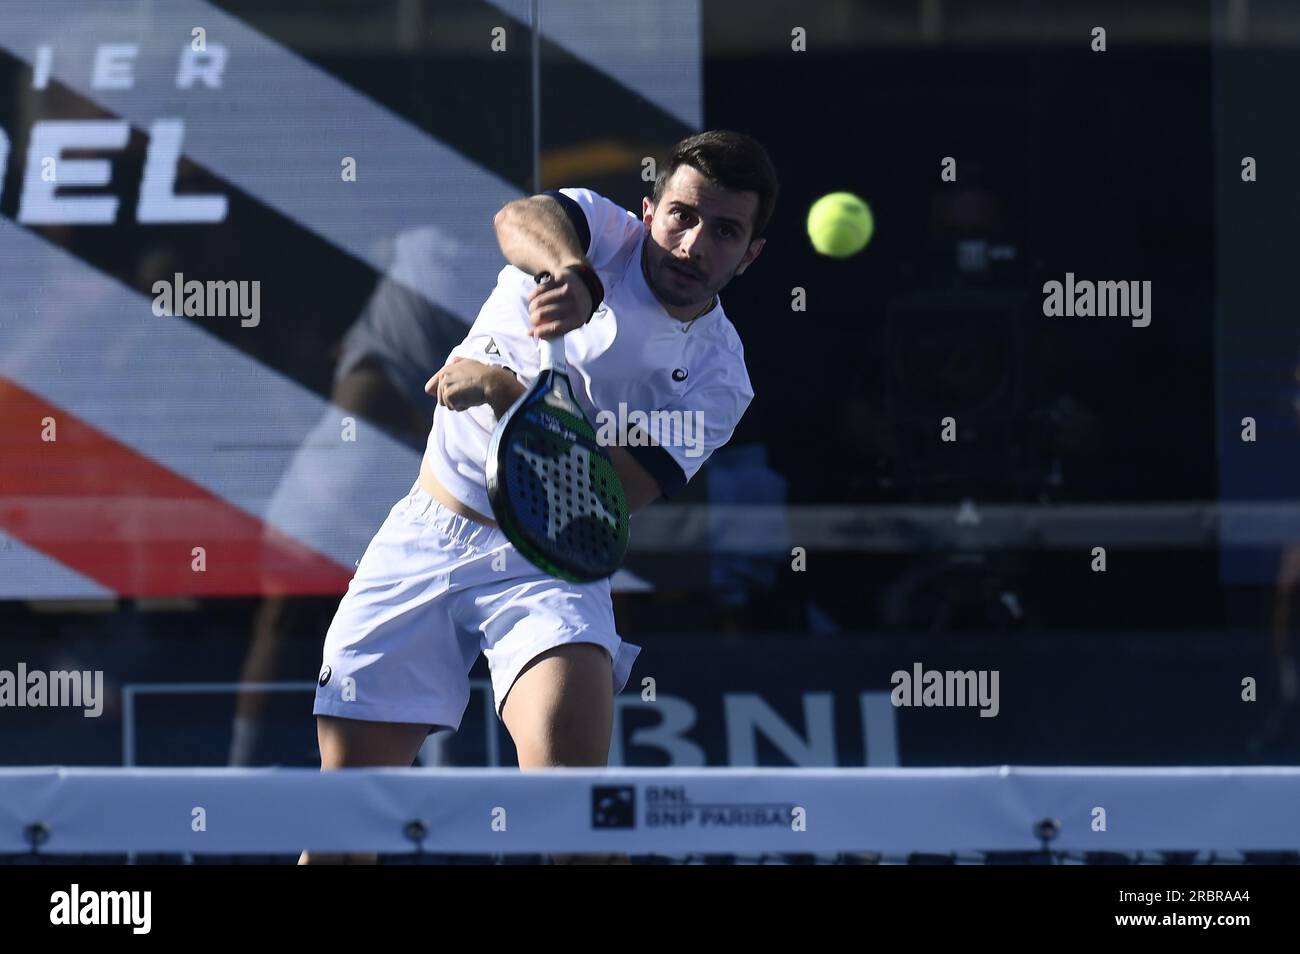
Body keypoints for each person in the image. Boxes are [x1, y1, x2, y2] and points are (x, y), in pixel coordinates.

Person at [302, 130, 779, 863]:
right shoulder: (595, 224)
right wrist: (573, 273)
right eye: (682, 215)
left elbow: (601, 492)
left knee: (574, 824)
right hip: (428, 534)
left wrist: (502, 390)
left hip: (550, 562)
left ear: (749, 255)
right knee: (345, 827)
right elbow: (515, 220)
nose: (692, 243)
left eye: (724, 231)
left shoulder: (721, 378)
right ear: (649, 211)